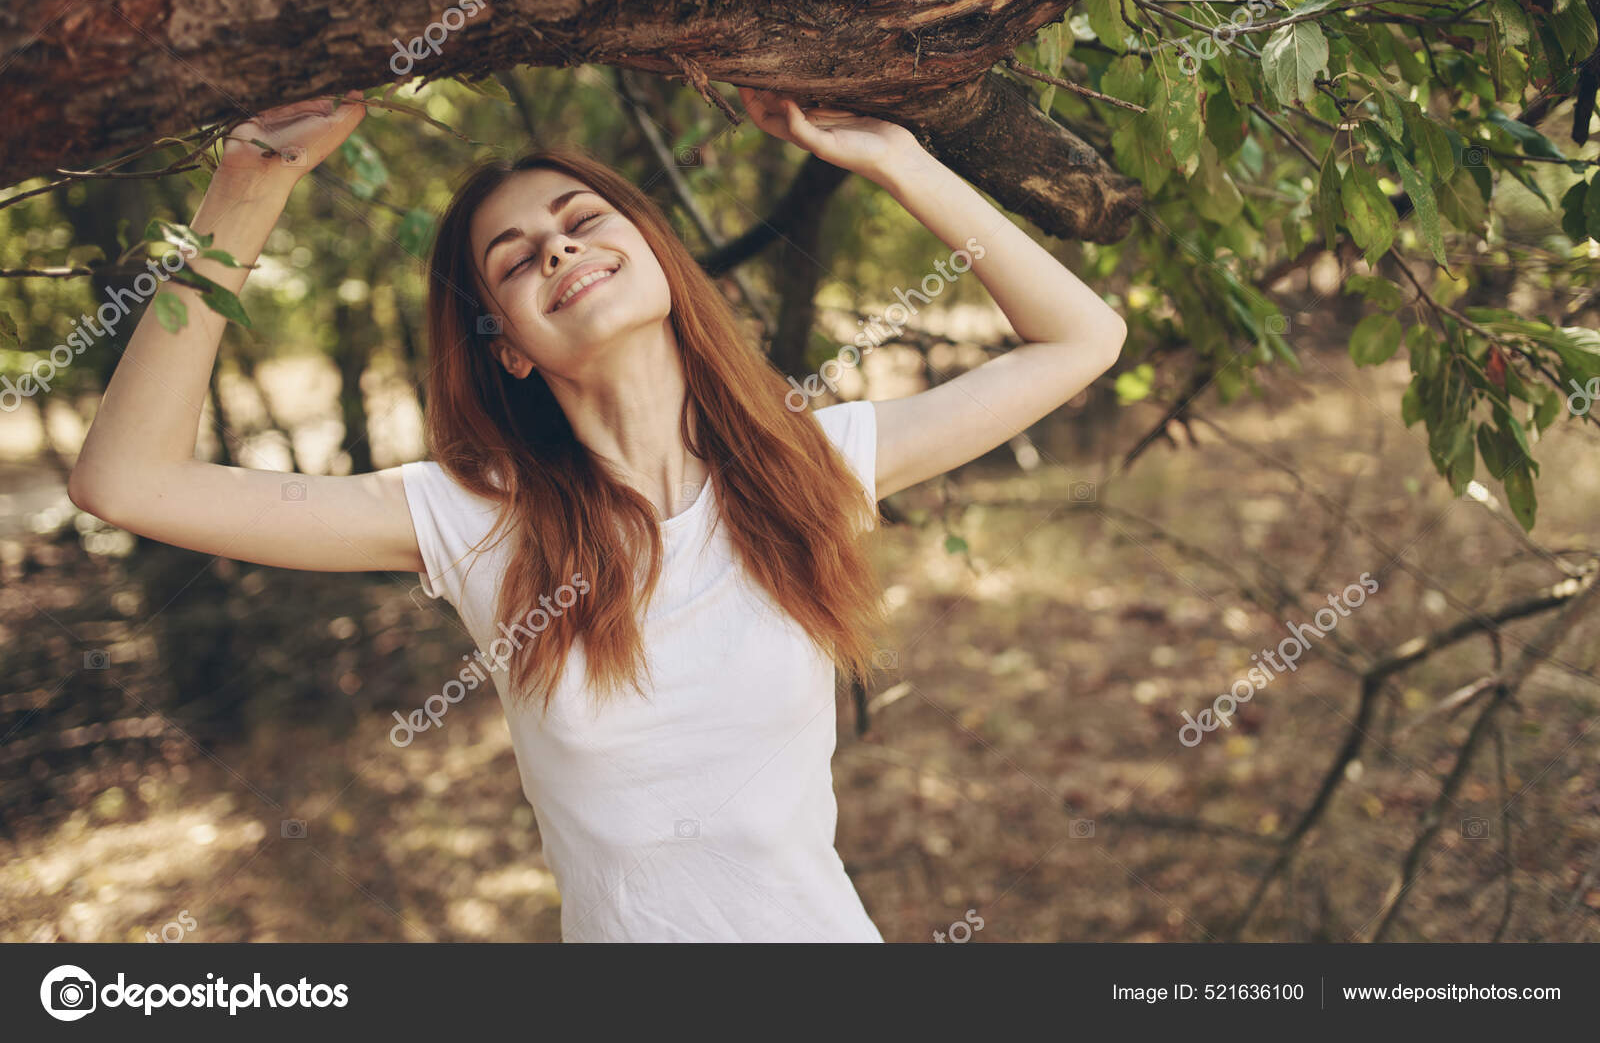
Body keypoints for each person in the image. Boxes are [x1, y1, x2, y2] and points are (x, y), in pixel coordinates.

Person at [67, 85, 1127, 942]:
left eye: (580, 224)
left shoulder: (816, 466)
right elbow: (128, 484)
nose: (559, 252)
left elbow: (1081, 337)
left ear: (660, 256)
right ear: (511, 346)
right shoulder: (473, 520)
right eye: (518, 259)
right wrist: (249, 188)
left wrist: (894, 157)